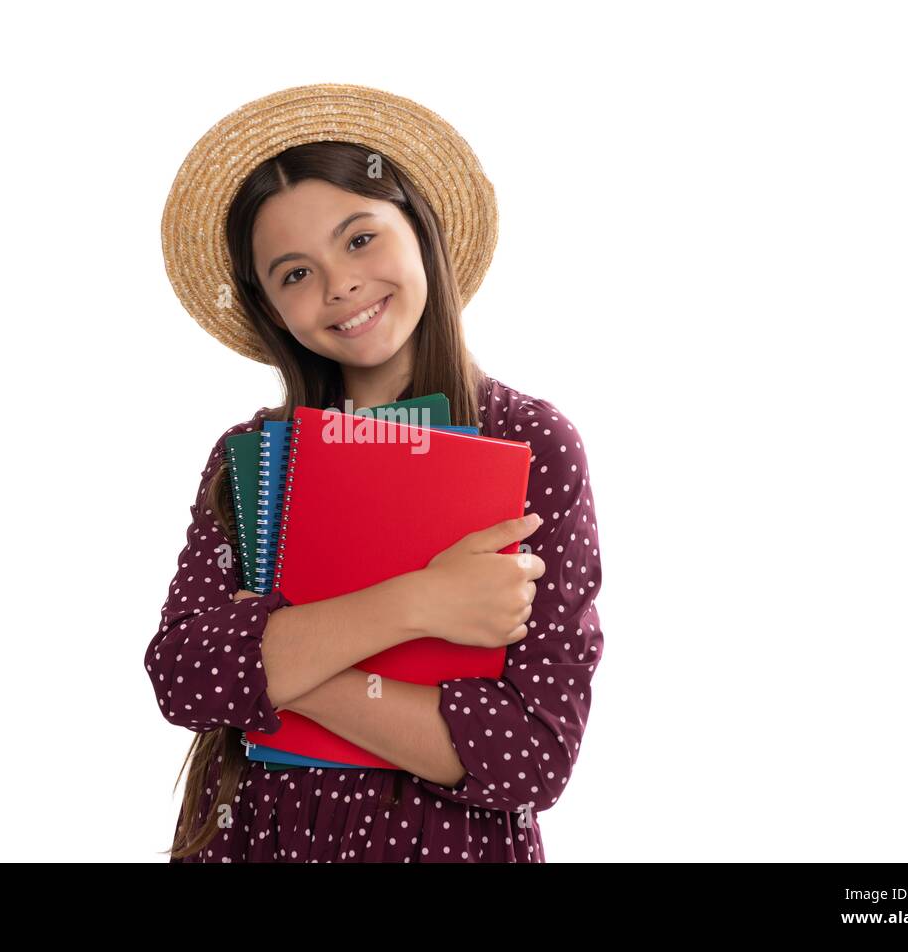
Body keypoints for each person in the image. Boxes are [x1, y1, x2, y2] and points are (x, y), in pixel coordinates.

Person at [146, 84, 606, 862]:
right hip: (263, 839)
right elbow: (185, 676)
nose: (339, 286)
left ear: (418, 227)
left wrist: (282, 656)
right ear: (271, 308)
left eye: (359, 239)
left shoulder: (531, 442)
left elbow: (530, 757)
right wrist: (419, 602)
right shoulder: (250, 457)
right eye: (294, 273)